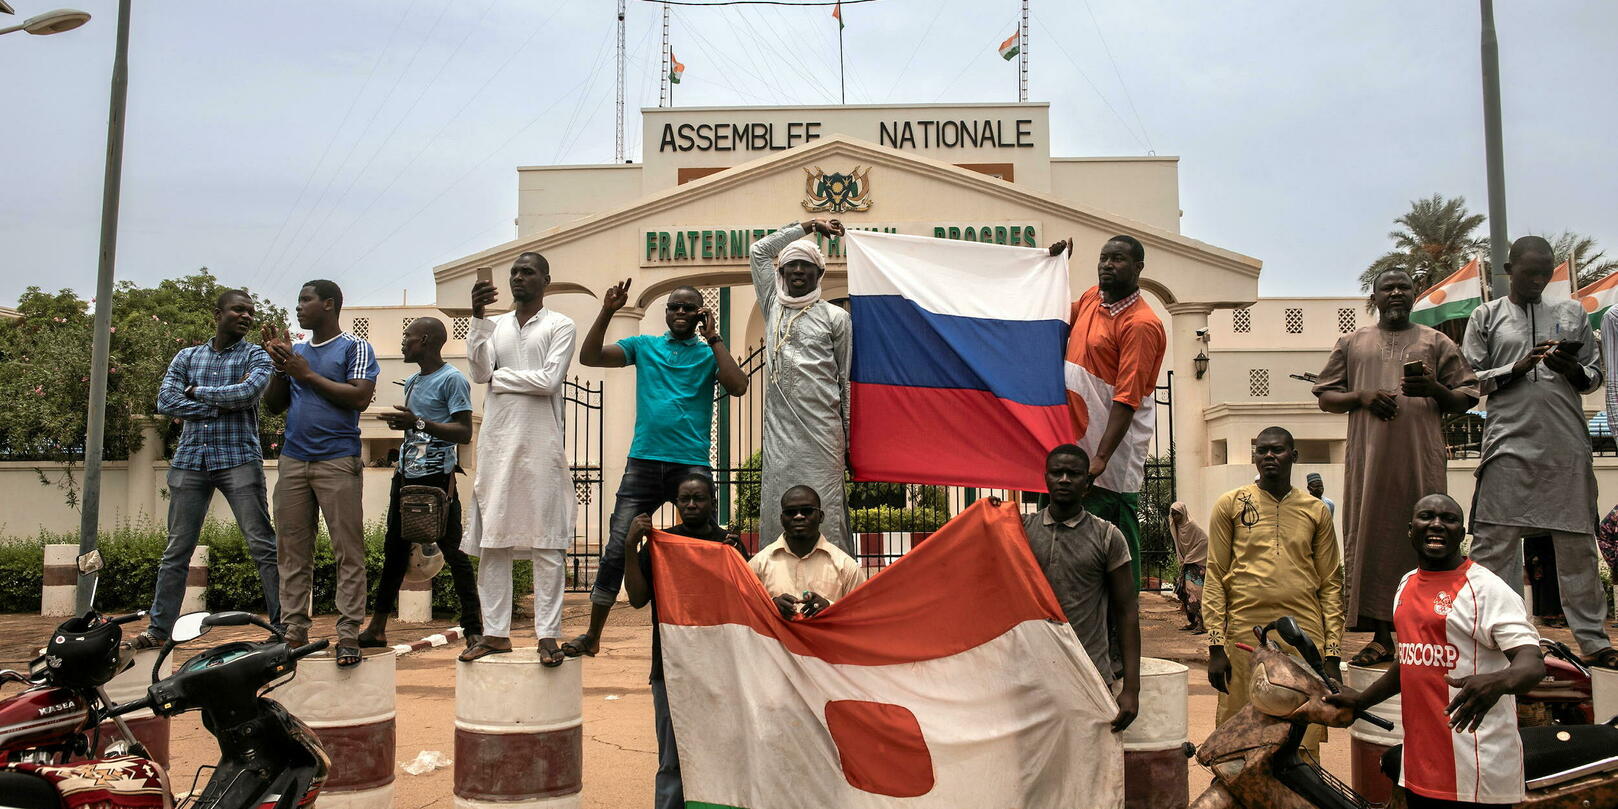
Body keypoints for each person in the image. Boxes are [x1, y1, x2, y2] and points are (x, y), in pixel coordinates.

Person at [562, 281, 747, 659]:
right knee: (618, 545)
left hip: (691, 465)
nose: (680, 313)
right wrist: (608, 310)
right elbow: (590, 357)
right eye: (674, 307)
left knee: (707, 547)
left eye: (688, 308)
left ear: (700, 314)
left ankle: (713, 633)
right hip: (643, 462)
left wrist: (715, 338)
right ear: (666, 313)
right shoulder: (644, 346)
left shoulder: (709, 353)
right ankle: (593, 635)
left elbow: (739, 386)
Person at [1326, 494, 1545, 808]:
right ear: (1410, 529)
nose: (1437, 524)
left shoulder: (1486, 589)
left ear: (1462, 532)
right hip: (1420, 766)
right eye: (1427, 516)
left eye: (1449, 519)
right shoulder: (1406, 584)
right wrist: (1362, 700)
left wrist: (1500, 681)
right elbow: (1410, 661)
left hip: (1476, 769)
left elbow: (1532, 663)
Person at [1461, 236, 1616, 668]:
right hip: (1507, 442)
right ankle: (1500, 637)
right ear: (1509, 270)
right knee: (1495, 544)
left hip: (1565, 444)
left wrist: (1573, 369)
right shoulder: (1486, 316)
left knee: (1577, 544)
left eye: (1545, 273)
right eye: (1530, 273)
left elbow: (1594, 376)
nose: (1538, 280)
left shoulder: (1572, 313)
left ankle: (1594, 642)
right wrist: (1516, 367)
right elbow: (1469, 378)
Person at [1313, 267, 1479, 667]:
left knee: (1427, 536)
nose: (1396, 293)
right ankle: (1382, 637)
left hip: (1421, 459)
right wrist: (1362, 397)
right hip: (1370, 463)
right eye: (1388, 287)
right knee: (1373, 537)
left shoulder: (1436, 342)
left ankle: (1425, 631)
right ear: (1375, 297)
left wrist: (1434, 389)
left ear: (1414, 293)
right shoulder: (1353, 342)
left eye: (1404, 286)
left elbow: (1467, 395)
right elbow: (1326, 396)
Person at [132, 290, 281, 649]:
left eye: (250, 312)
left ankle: (283, 627)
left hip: (238, 459)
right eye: (238, 310)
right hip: (190, 461)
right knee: (176, 551)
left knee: (262, 546)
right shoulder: (187, 356)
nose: (246, 316)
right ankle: (159, 631)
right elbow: (166, 400)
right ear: (217, 314)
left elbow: (247, 395)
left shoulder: (256, 355)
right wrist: (218, 405)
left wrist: (195, 391)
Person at [459, 252, 577, 666]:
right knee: (494, 541)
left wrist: (500, 376)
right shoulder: (494, 326)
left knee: (547, 542)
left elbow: (548, 381)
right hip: (497, 445)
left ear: (546, 279)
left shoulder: (560, 324)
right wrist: (477, 319)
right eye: (514, 272)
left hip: (541, 447)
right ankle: (495, 633)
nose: (518, 278)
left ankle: (548, 635)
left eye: (527, 272)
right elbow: (478, 373)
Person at [1204, 426, 1343, 752]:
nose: (1269, 456)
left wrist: (1333, 654)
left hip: (1303, 633)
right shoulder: (1230, 504)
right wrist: (1215, 647)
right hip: (1245, 631)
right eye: (1262, 450)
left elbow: (1331, 583)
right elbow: (1215, 575)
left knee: (1302, 732)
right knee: (1240, 731)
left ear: (1293, 456)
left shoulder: (1315, 510)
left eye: (1277, 450)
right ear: (1254, 456)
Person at [263, 280, 379, 667]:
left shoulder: (355, 347)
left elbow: (359, 397)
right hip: (294, 460)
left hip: (338, 460)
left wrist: (307, 374)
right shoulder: (296, 352)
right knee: (292, 551)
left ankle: (348, 634)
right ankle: (294, 631)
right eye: (298, 300)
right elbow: (273, 406)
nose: (299, 307)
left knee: (348, 550)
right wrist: (281, 367)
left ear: (328, 304)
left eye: (306, 300)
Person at [621, 474, 749, 809]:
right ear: (676, 503)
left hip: (721, 668)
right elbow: (637, 599)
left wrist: (738, 559)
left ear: (712, 502)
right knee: (672, 760)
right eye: (684, 499)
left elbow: (749, 603)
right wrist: (630, 547)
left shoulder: (729, 546)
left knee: (722, 752)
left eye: (698, 498)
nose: (691, 505)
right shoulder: (662, 545)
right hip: (670, 668)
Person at [1049, 234, 1166, 588]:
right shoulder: (1091, 298)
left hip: (1110, 456)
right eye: (1104, 258)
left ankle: (1123, 615)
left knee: (1112, 541)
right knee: (1066, 537)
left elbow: (1127, 397)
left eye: (1117, 259)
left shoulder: (1141, 324)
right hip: (1076, 440)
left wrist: (1101, 457)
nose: (1107, 265)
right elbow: (1051, 315)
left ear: (1138, 267)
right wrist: (1051, 269)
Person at [358, 317, 482, 650]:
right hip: (406, 477)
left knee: (453, 552)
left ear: (425, 340)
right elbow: (418, 428)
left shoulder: (452, 379)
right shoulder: (412, 380)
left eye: (407, 336)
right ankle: (377, 628)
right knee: (394, 552)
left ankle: (474, 630)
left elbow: (463, 432)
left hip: (438, 479)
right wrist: (406, 424)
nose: (403, 342)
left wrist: (418, 422)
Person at [749, 219, 854, 555]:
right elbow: (759, 251)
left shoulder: (836, 317)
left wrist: (849, 440)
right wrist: (808, 226)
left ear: (818, 273)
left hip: (824, 433)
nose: (797, 271)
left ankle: (834, 579)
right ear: (781, 272)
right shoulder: (773, 305)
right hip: (781, 434)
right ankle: (774, 577)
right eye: (791, 264)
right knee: (778, 502)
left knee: (826, 506)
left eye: (805, 265)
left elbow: (846, 381)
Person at [1022, 444, 1140, 732]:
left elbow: (1127, 612)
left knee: (1088, 756)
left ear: (1087, 484)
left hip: (1089, 673)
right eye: (1057, 473)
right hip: (1030, 673)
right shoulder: (1021, 531)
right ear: (1046, 479)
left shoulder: (1107, 537)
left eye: (1073, 474)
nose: (1064, 479)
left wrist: (1132, 689)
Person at [749, 485, 862, 620]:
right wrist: (770, 606)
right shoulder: (758, 564)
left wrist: (829, 607)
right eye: (790, 512)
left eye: (807, 511)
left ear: (821, 516)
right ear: (781, 519)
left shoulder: (846, 567)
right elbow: (744, 610)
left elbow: (861, 614)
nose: (799, 516)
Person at [1168, 501, 1207, 634]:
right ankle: (1193, 621)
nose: (1174, 517)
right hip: (1187, 564)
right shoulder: (1176, 527)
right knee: (1185, 593)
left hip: (1197, 563)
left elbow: (1204, 541)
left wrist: (1191, 556)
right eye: (1172, 514)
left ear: (1183, 513)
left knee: (1194, 592)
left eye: (1177, 514)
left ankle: (1202, 623)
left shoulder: (1192, 525)